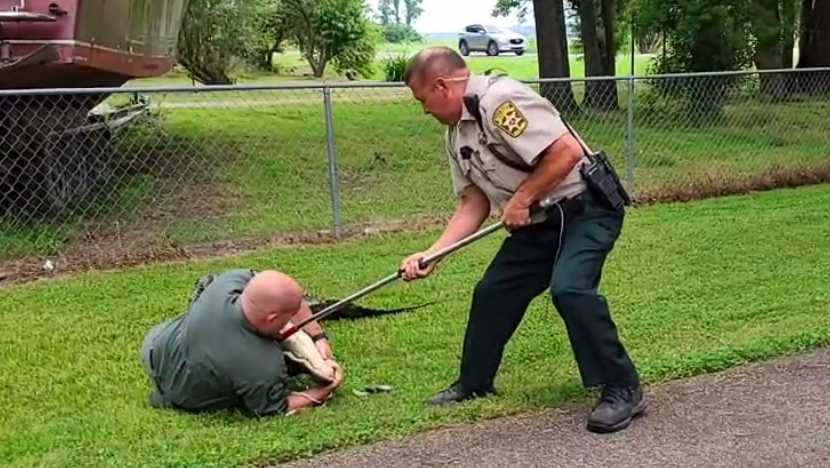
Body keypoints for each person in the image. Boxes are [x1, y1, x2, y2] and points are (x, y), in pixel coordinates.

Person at [398, 47, 644, 433]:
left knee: (571, 290)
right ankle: (474, 383)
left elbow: (566, 151)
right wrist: (433, 254)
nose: (423, 110)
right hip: (537, 222)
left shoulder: (501, 102)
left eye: (421, 99)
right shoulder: (457, 132)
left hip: (586, 210)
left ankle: (623, 387)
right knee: (494, 291)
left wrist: (522, 198)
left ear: (442, 85)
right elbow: (472, 203)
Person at [139, 268, 344, 417]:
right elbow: (275, 408)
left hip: (155, 346)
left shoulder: (226, 283)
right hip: (184, 396)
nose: (293, 319)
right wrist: (324, 390)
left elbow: (290, 299)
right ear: (272, 318)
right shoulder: (262, 366)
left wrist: (318, 338)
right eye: (288, 316)